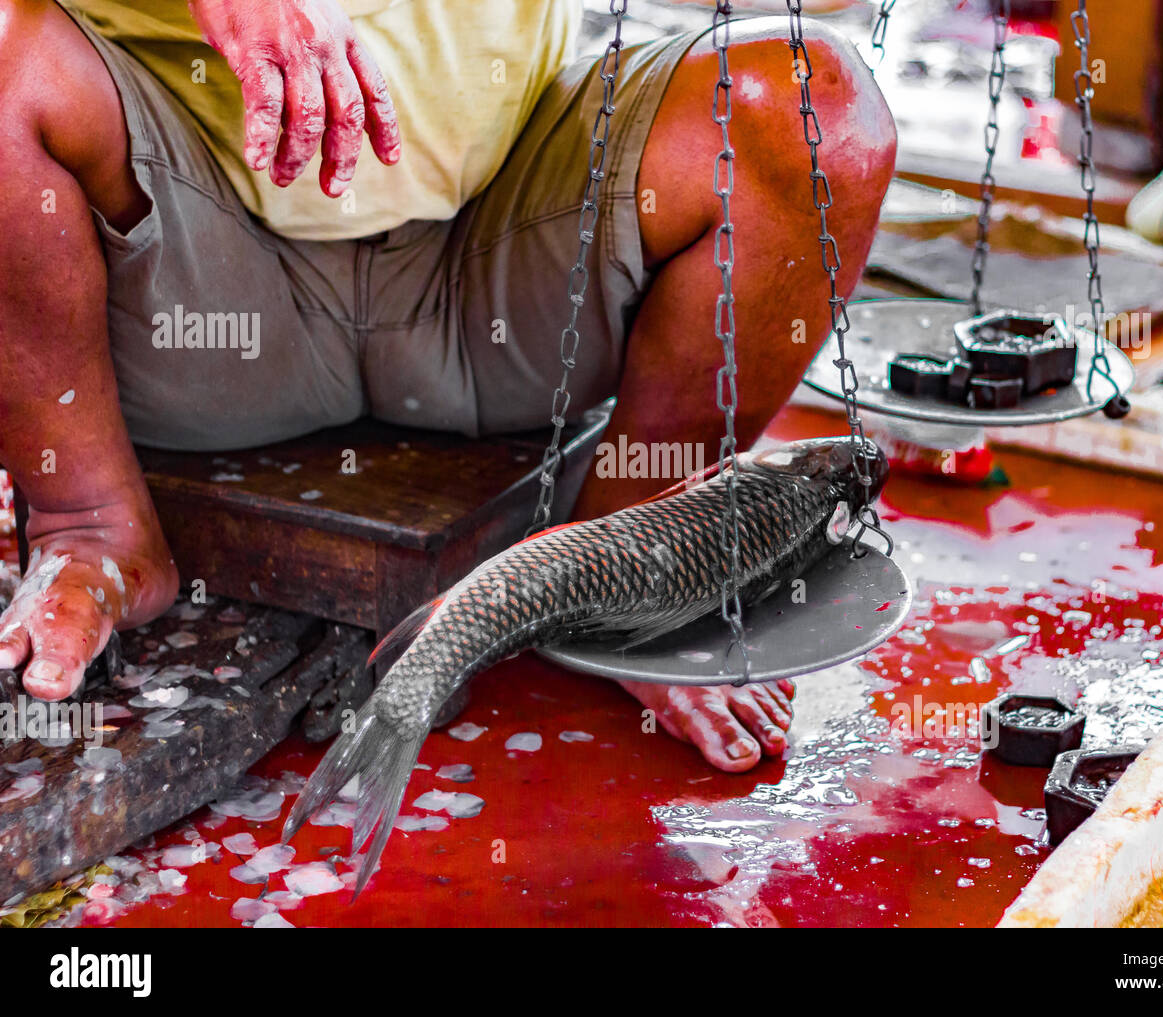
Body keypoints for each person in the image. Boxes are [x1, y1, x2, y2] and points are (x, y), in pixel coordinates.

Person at [0, 0, 895, 771]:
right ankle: (91, 522)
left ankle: (631, 556)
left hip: (499, 253)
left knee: (815, 104)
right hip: (187, 275)